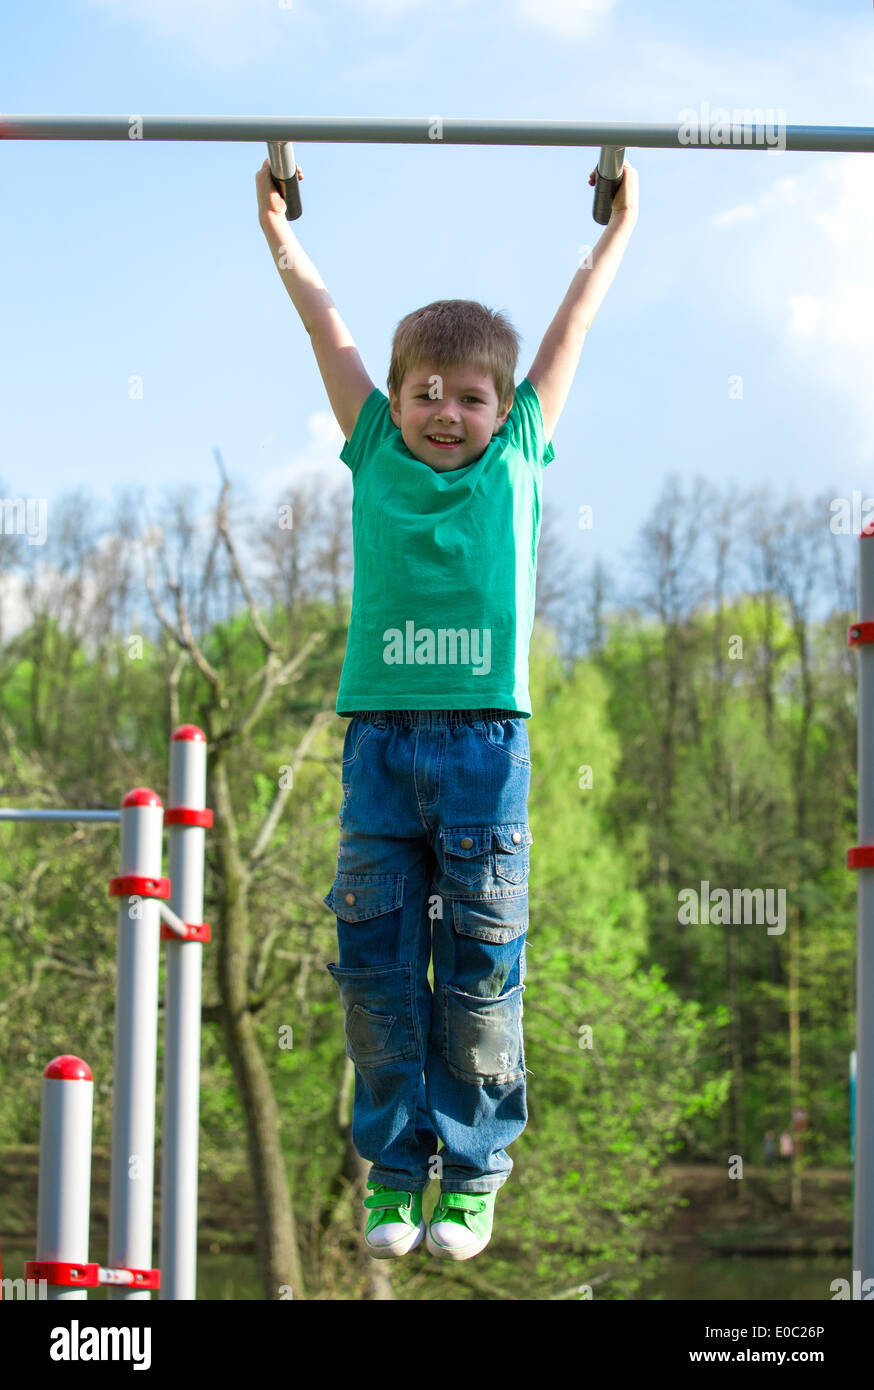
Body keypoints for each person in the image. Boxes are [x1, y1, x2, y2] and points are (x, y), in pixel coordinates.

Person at [256, 153, 638, 1260]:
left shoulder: (518, 450)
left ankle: (471, 1174)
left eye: (468, 394)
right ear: (395, 396)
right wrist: (281, 232)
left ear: (503, 406)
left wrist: (610, 233)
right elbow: (326, 330)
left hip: (482, 749)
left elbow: (572, 326)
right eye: (422, 389)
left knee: (477, 966)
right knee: (373, 965)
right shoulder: (372, 442)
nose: (441, 409)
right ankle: (392, 1170)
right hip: (376, 744)